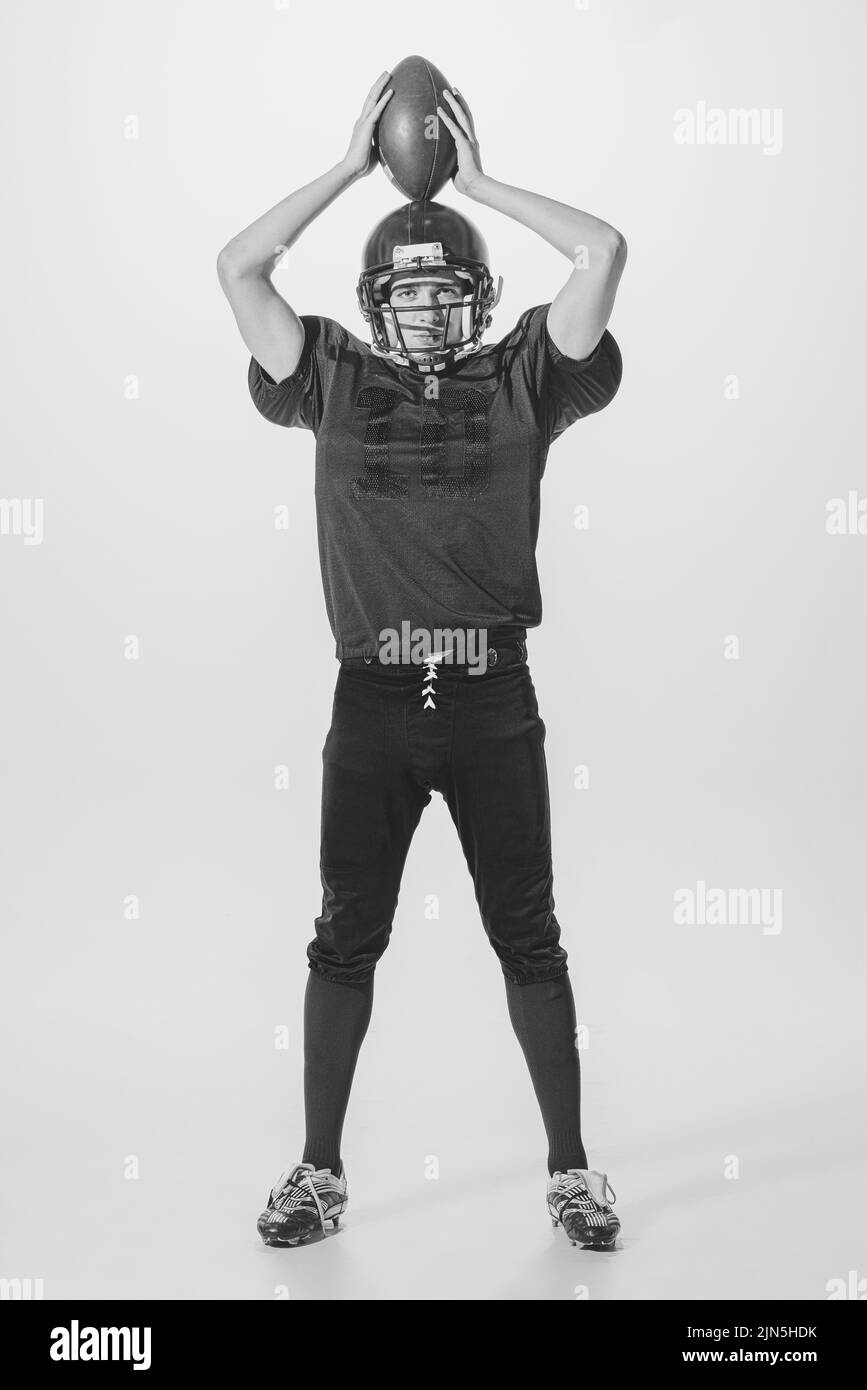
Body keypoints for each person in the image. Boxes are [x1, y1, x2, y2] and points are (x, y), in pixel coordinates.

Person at [217, 72, 627, 1250]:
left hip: (494, 697)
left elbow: (600, 250)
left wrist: (481, 183)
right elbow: (237, 269)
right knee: (346, 934)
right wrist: (351, 168)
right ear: (371, 301)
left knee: (529, 935)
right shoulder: (332, 375)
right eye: (407, 293)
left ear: (480, 296)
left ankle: (571, 1171)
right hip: (375, 701)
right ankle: (319, 1169)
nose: (428, 312)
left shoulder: (522, 378)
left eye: (449, 291)